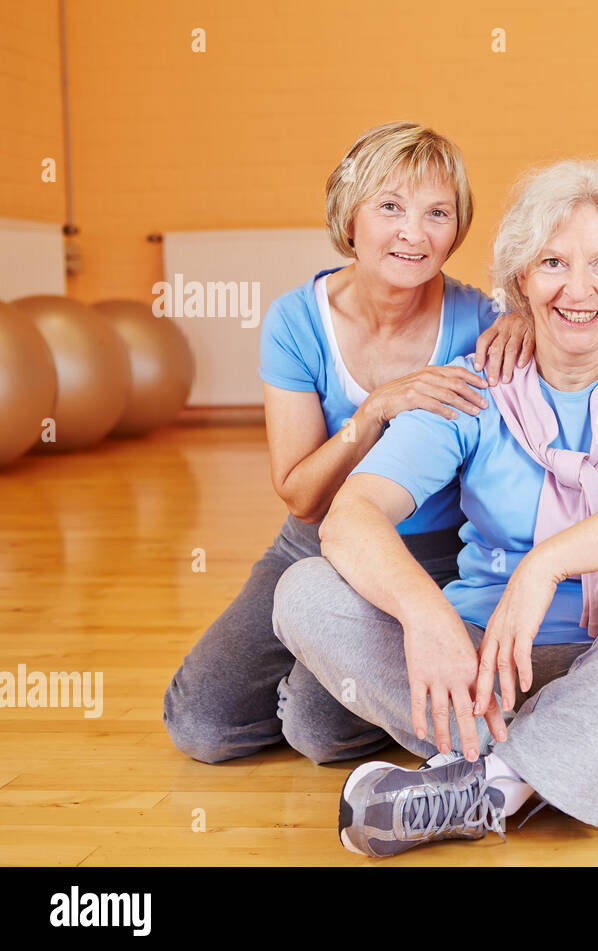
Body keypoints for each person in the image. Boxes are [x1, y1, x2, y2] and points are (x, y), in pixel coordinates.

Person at [271, 158, 598, 857]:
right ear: (521, 281)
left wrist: (546, 566)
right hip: (477, 676)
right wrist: (425, 613)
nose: (578, 288)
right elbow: (350, 514)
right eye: (552, 262)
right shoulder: (477, 386)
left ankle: (489, 781)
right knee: (304, 591)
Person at [163, 121, 532, 765]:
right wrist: (375, 412)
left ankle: (319, 690)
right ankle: (313, 669)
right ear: (349, 214)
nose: (414, 233)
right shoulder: (295, 320)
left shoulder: (482, 323)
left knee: (320, 729)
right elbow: (303, 497)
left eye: (437, 213)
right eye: (390, 206)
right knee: (204, 727)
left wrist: (528, 317)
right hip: (314, 546)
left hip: (437, 557)